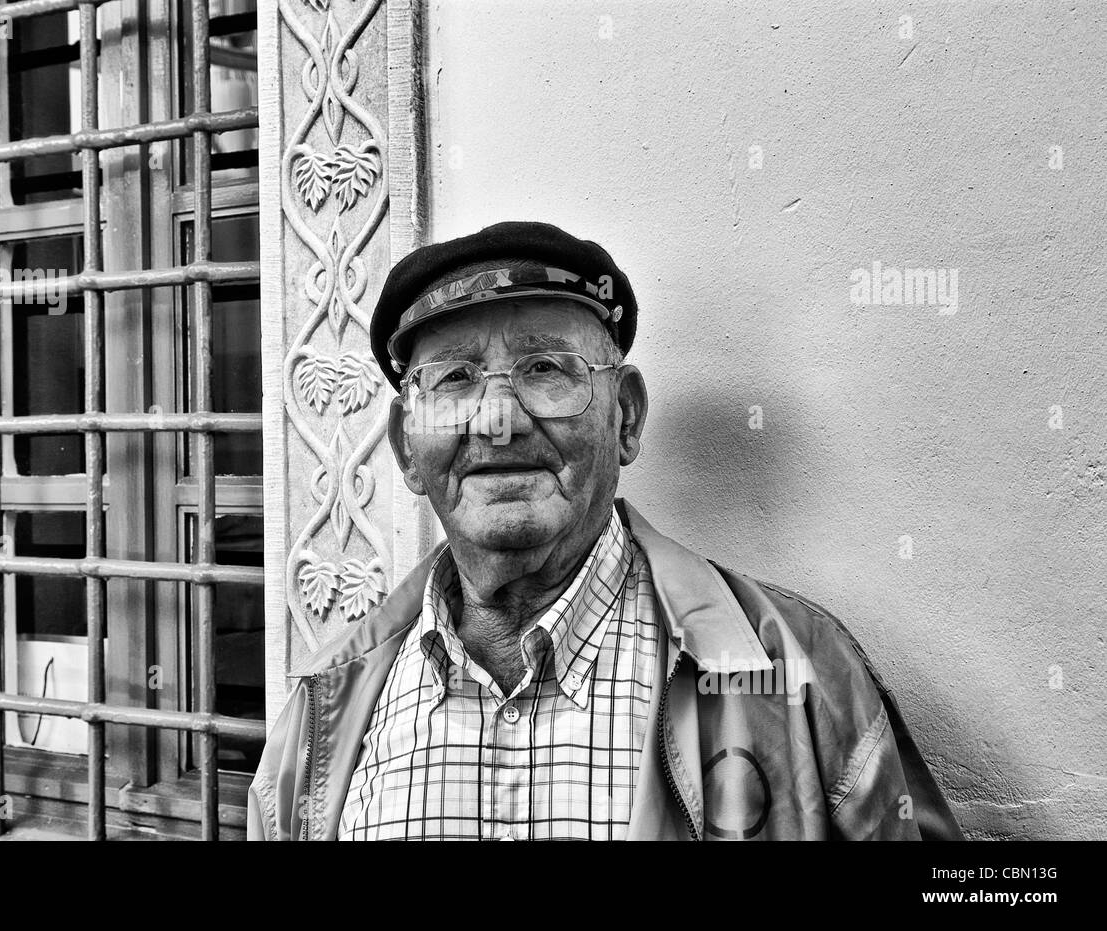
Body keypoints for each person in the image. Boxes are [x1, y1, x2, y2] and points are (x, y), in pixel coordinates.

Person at [247, 220, 962, 841]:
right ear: (407, 448)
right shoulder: (324, 712)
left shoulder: (801, 673)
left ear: (623, 416)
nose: (498, 419)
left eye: (545, 368)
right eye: (456, 378)